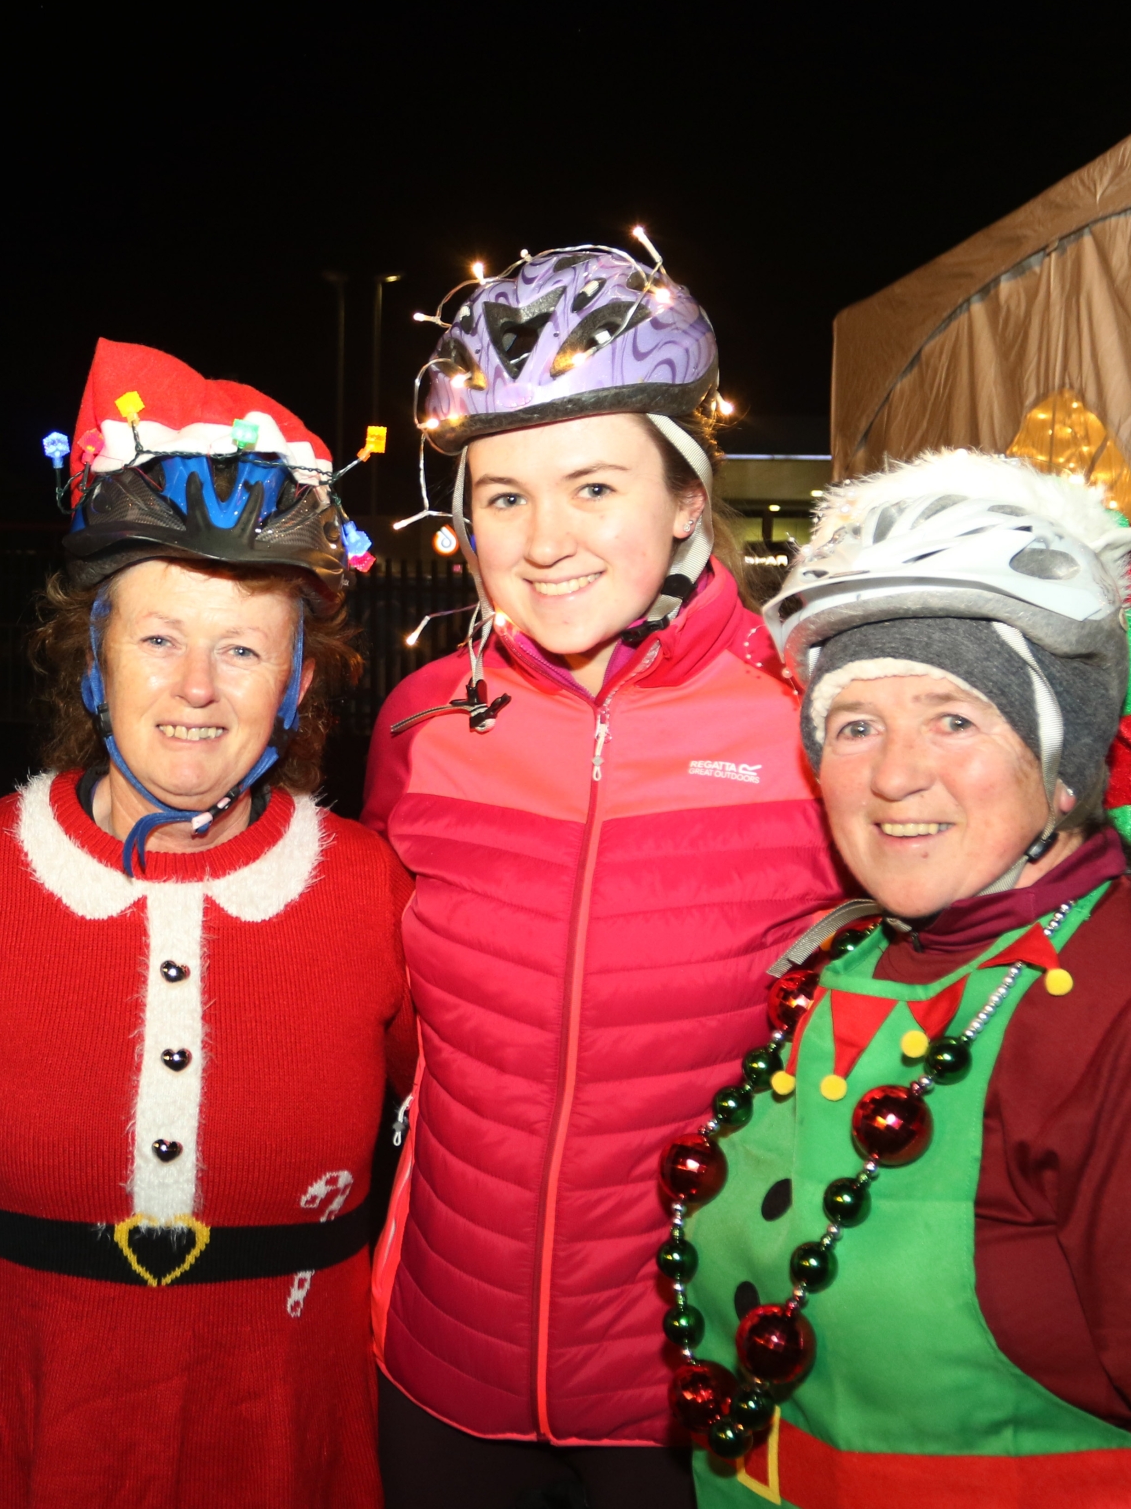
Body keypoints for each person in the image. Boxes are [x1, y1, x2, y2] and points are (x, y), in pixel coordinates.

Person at [663, 450, 1131, 1507]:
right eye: (854, 724)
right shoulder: (845, 964)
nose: (894, 773)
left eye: (955, 718)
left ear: (1064, 764)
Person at [0, 339, 416, 1508]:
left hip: (284, 1437)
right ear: (91, 656)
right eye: (159, 640)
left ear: (299, 686)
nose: (196, 690)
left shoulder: (374, 890)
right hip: (27, 1433)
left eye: (242, 650)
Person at [363, 243, 848, 1506]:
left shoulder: (806, 724)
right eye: (502, 496)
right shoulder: (422, 721)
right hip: (440, 1378)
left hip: (685, 1399)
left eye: (593, 485)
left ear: (687, 498)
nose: (543, 539)